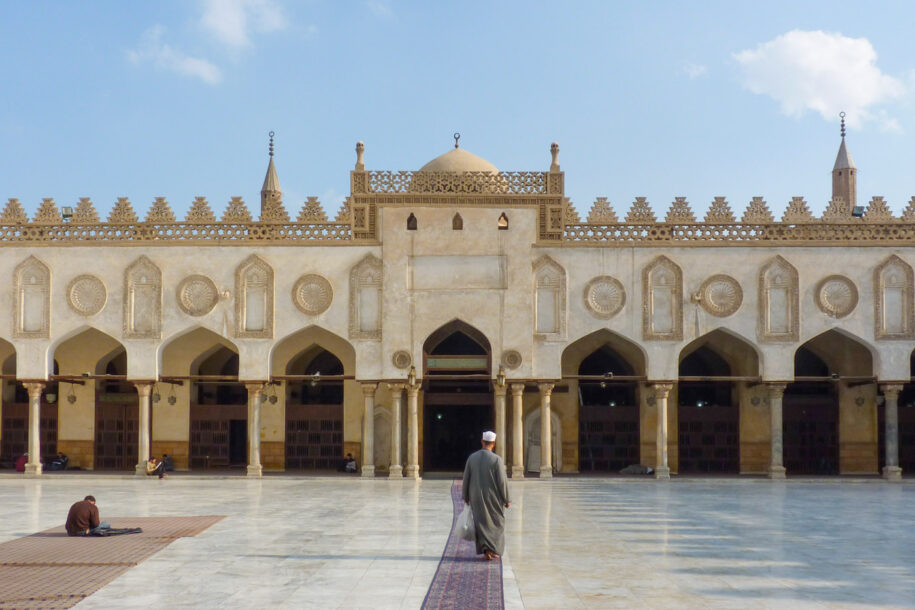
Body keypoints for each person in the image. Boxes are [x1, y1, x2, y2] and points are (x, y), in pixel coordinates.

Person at [462, 430, 511, 561]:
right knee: (496, 522)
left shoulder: (472, 458)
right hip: (493, 496)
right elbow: (502, 481)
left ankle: (486, 550)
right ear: (493, 443)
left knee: (481, 523)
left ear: (482, 442)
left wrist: (465, 495)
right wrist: (506, 499)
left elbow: (466, 477)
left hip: (476, 496)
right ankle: (493, 549)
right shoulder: (496, 460)